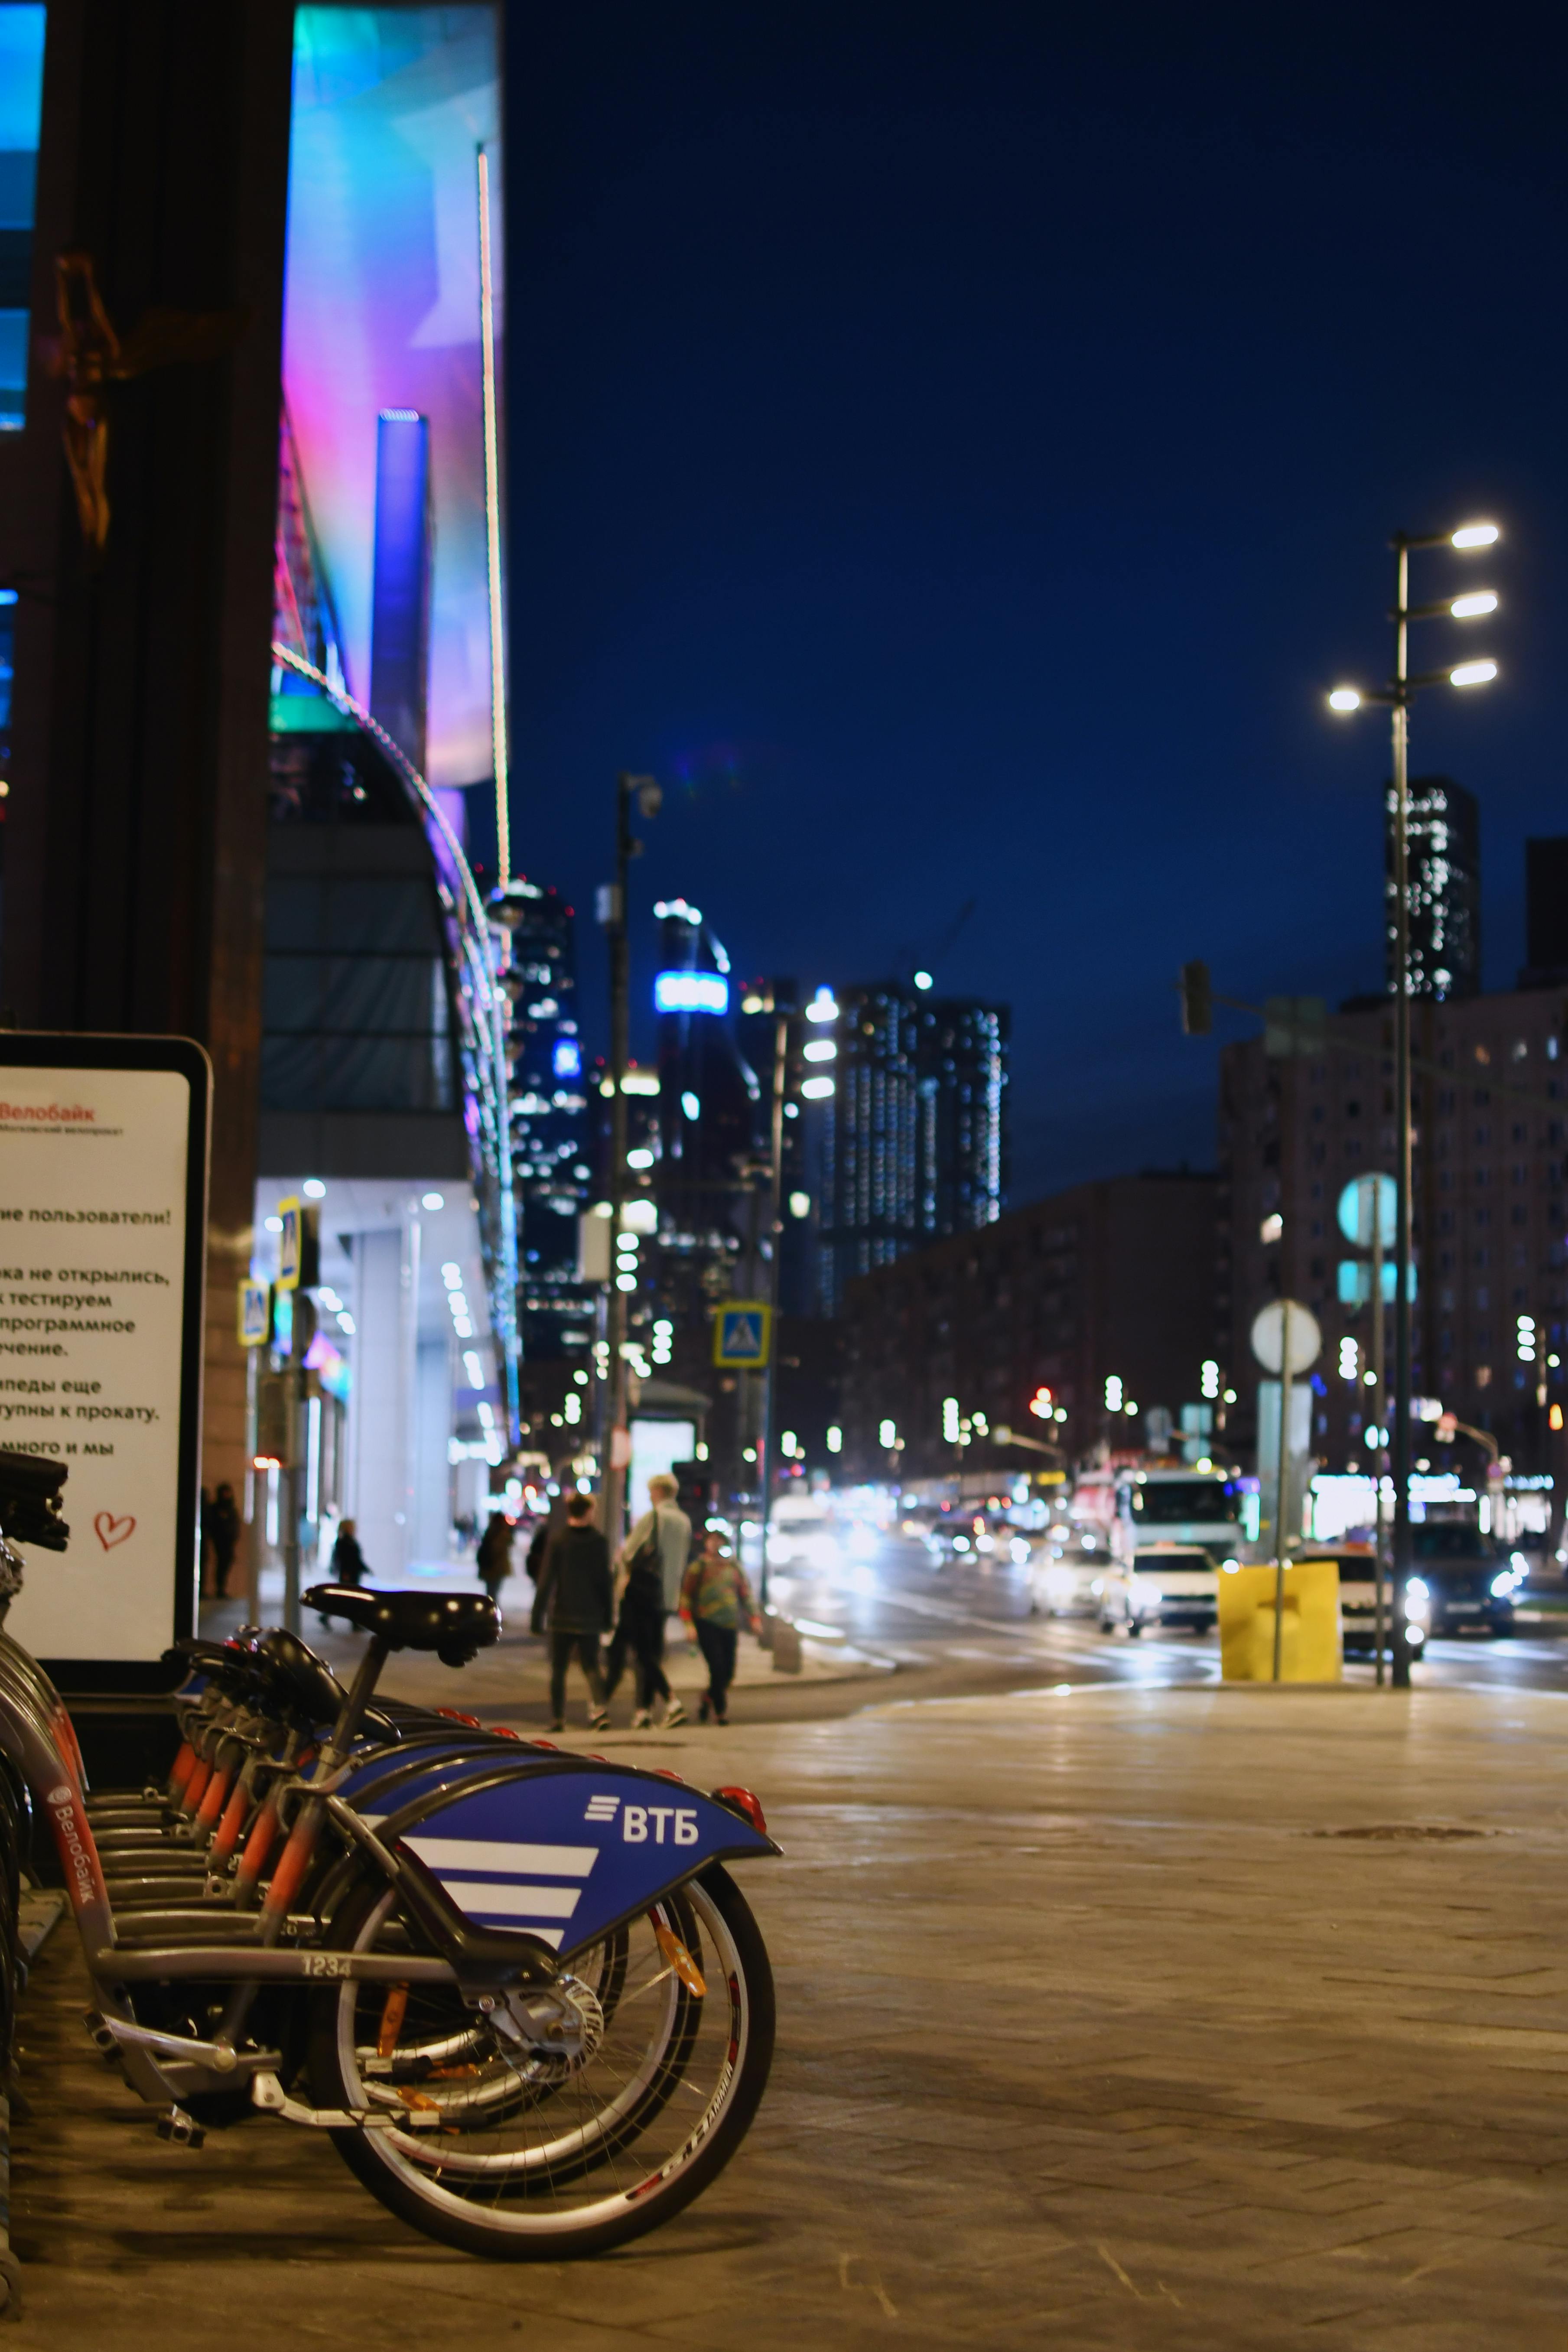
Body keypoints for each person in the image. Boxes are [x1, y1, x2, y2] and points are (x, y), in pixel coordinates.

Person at [606, 1473, 693, 1729]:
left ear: (657, 1491)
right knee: (652, 1652)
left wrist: (620, 1562)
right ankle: (643, 1712)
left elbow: (629, 1552)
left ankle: (671, 1702)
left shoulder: (654, 1517)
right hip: (667, 1596)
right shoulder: (684, 1521)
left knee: (643, 1653)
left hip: (644, 1594)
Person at [531, 1491, 612, 1732]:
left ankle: (558, 1719)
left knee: (559, 1669)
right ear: (588, 1512)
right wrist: (608, 1616)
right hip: (590, 1616)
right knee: (592, 1666)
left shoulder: (559, 1540)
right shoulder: (599, 1542)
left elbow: (546, 1580)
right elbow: (605, 1582)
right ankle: (600, 1712)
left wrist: (538, 1617)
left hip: (563, 1615)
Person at [680, 1527, 759, 1726]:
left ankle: (708, 1698)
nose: (716, 1544)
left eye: (719, 1540)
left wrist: (754, 1617)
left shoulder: (733, 1567)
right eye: (712, 1540)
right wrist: (689, 1624)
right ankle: (721, 1713)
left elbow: (745, 1593)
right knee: (717, 1668)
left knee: (728, 1673)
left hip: (730, 1625)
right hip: (707, 1623)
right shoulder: (698, 1567)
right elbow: (686, 1597)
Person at [320, 1516, 369, 1628]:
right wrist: (346, 1572)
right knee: (349, 1600)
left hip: (353, 1573)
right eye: (352, 1527)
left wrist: (365, 1569)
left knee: (347, 1600)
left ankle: (328, 1617)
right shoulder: (344, 1542)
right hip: (348, 1575)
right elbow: (345, 1559)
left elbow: (356, 1559)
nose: (354, 1529)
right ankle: (354, 1623)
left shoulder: (350, 1541)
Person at [207, 1482, 241, 1601]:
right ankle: (220, 1588)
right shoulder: (216, 1509)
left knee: (226, 1563)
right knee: (221, 1564)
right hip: (220, 1541)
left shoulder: (231, 1509)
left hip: (228, 1542)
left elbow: (235, 1526)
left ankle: (222, 1588)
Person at [475, 1511, 514, 1604]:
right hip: (495, 1567)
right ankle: (492, 1610)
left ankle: (491, 1608)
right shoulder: (501, 1533)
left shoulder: (490, 1531)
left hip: (490, 1567)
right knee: (493, 1592)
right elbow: (499, 1548)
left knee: (491, 1591)